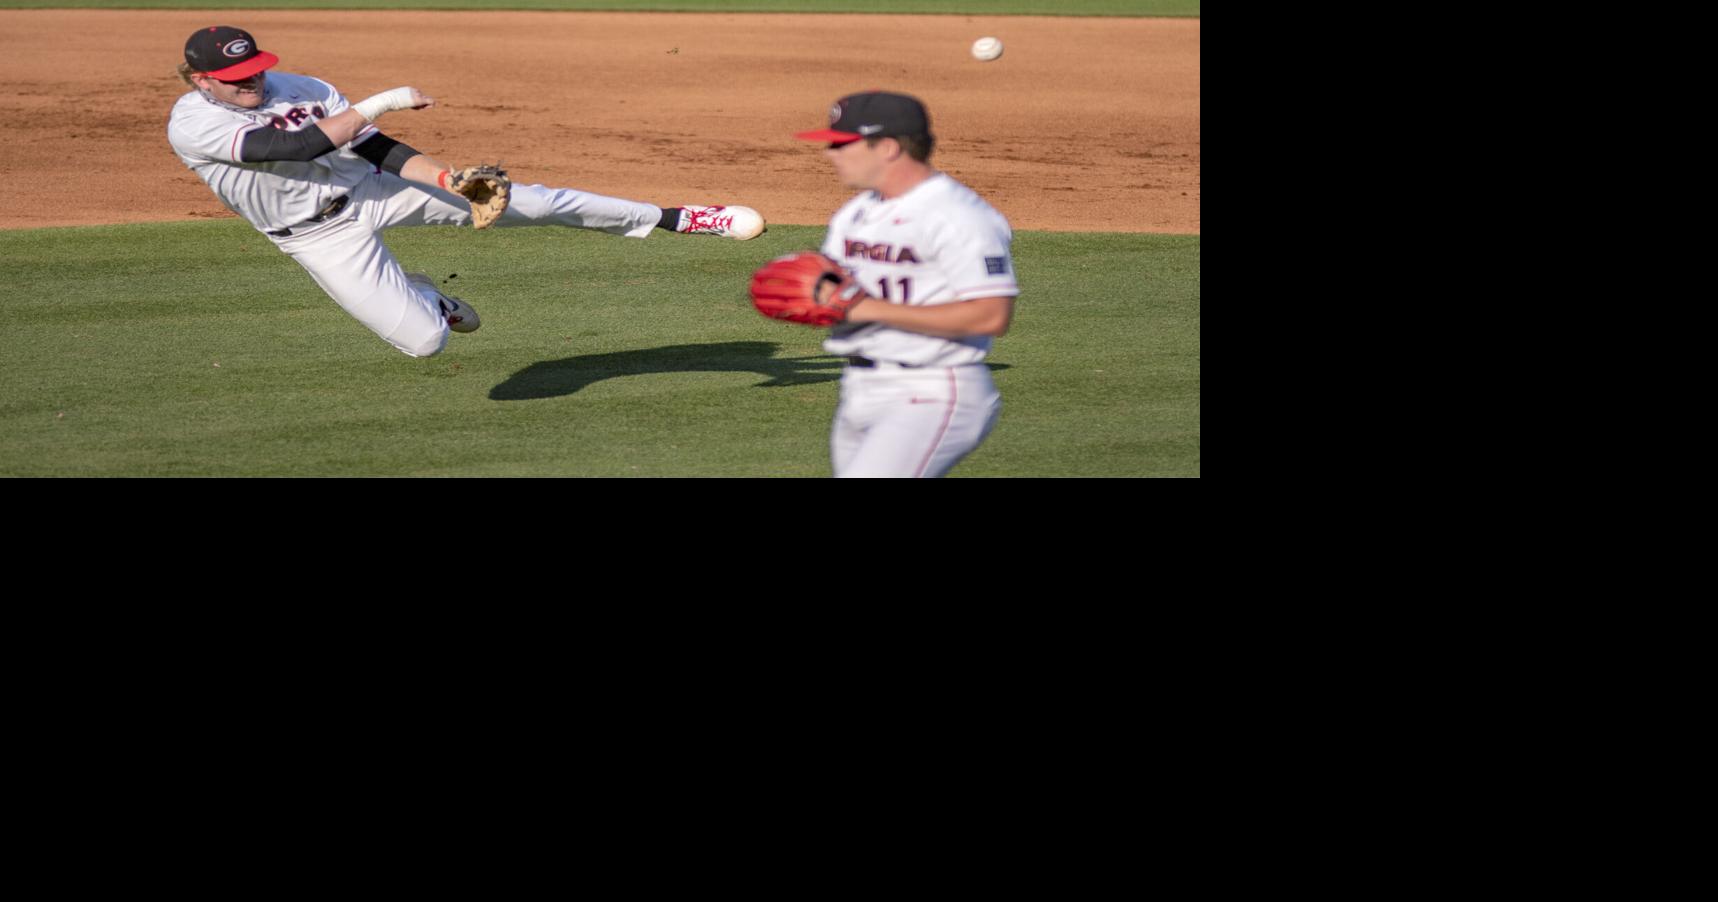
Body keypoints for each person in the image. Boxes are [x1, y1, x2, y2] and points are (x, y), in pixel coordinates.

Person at [167, 25, 764, 358]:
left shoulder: (302, 85)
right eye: (235, 79)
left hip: (374, 187)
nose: (252, 82)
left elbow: (376, 148)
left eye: (257, 70)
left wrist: (448, 180)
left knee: (537, 200)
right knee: (427, 344)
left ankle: (676, 217)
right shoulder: (194, 124)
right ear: (201, 80)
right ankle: (429, 298)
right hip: (315, 235)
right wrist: (385, 99)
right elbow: (294, 150)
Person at [791, 91, 1018, 478]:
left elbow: (991, 315)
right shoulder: (858, 212)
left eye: (842, 144)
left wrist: (861, 308)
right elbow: (835, 288)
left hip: (932, 389)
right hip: (859, 387)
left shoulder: (955, 216)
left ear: (889, 148)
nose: (830, 153)